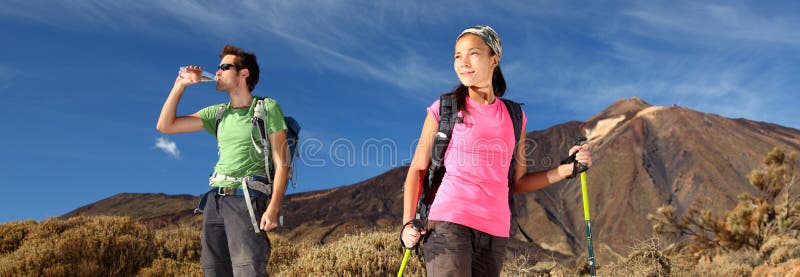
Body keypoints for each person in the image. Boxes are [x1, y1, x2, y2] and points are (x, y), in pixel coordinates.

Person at [400, 26, 593, 276]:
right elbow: (418, 169)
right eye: (457, 56)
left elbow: (518, 181)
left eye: (473, 53)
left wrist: (568, 169)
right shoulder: (445, 109)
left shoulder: (515, 116)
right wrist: (408, 223)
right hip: (449, 223)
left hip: (495, 233)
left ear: (494, 60)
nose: (463, 62)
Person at [157, 44, 289, 277]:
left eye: (224, 67)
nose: (217, 72)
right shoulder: (217, 113)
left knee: (247, 271)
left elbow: (282, 163)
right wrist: (180, 85)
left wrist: (273, 207)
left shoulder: (266, 108)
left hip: (246, 199)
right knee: (214, 272)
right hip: (214, 202)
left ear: (243, 73)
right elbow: (165, 126)